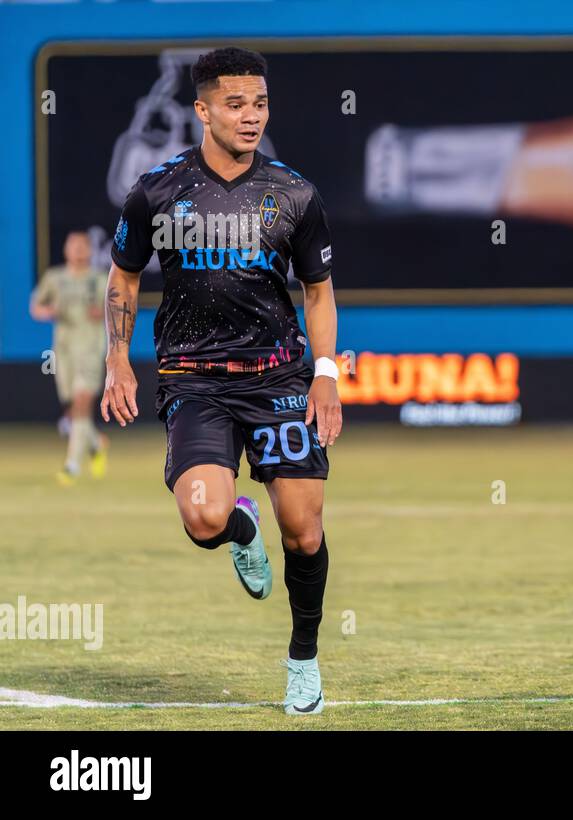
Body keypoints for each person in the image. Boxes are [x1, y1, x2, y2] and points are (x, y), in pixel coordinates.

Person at [101, 47, 341, 715]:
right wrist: (117, 358)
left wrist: (325, 374)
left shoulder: (294, 193)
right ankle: (238, 529)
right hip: (194, 380)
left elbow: (318, 292)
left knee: (305, 532)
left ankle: (303, 658)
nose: (251, 116)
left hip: (279, 379)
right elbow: (122, 276)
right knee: (203, 518)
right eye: (235, 104)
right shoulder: (156, 188)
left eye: (260, 103)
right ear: (202, 110)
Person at [30, 230, 111, 484]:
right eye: (73, 246)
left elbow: (115, 308)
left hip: (90, 348)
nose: (77, 251)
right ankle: (96, 443)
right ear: (66, 250)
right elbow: (36, 307)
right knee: (72, 406)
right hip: (63, 351)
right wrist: (49, 311)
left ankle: (72, 465)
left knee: (81, 401)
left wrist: (103, 312)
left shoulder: (99, 279)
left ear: (90, 251)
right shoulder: (55, 278)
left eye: (82, 246)